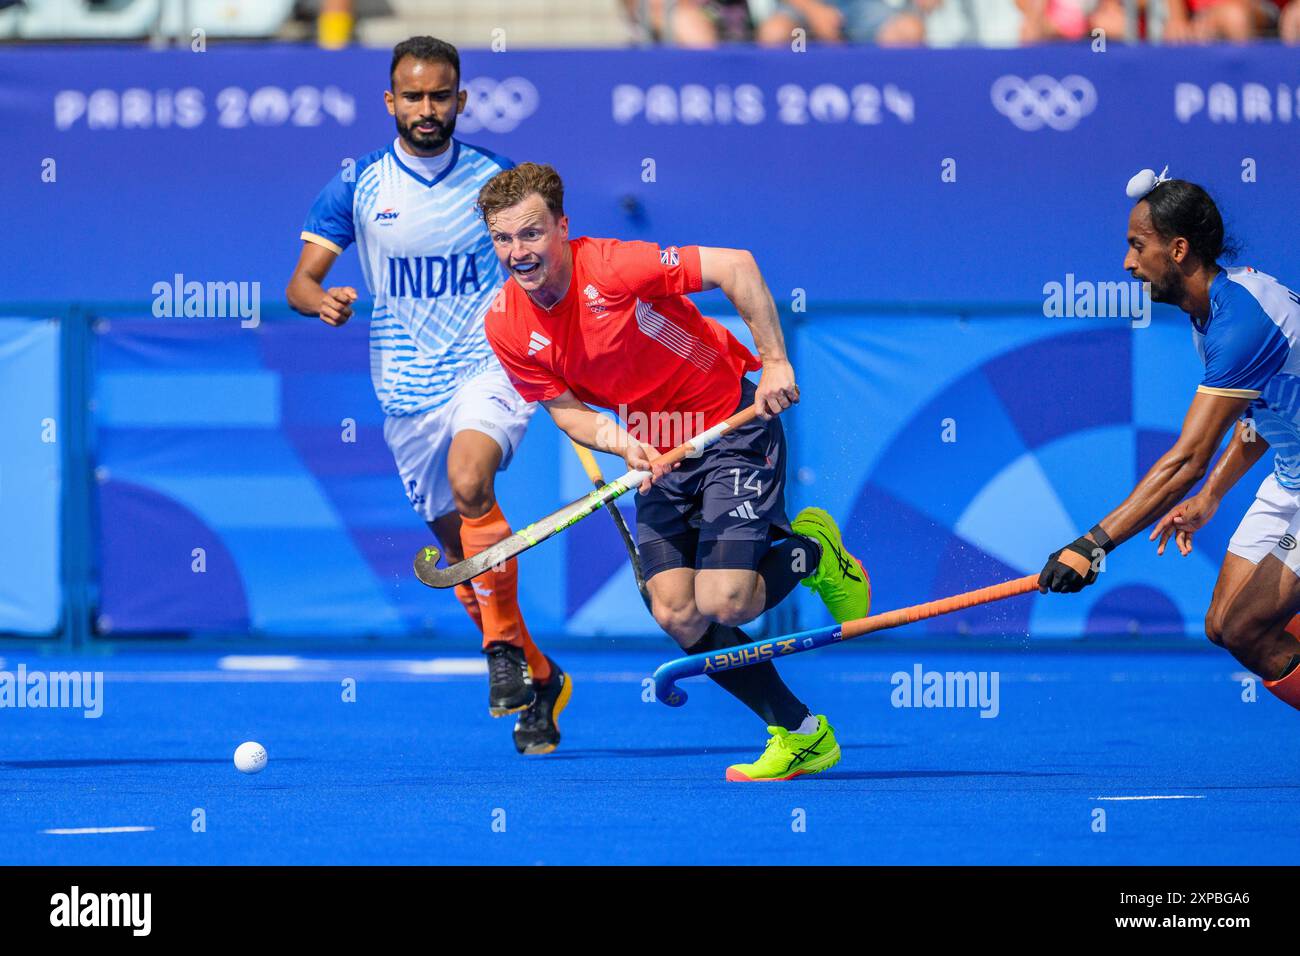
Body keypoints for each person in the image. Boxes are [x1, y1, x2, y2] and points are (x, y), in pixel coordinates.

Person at [477, 162, 872, 781]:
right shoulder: (504, 323)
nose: (517, 253)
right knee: (676, 613)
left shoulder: (611, 266)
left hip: (730, 425)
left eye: (530, 234)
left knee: (728, 601)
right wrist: (621, 442)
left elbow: (736, 264)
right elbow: (567, 412)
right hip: (661, 451)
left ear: (562, 227)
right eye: (502, 239)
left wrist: (773, 363)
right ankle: (801, 733)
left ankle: (812, 550)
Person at [285, 37, 569, 755]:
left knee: (473, 481)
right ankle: (541, 676)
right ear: (391, 102)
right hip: (406, 388)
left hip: (487, 364)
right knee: (459, 553)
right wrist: (322, 300)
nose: (427, 108)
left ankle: (500, 651)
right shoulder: (357, 185)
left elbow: (541, 261)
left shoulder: (495, 179)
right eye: (413, 96)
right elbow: (299, 281)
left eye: (440, 95)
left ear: (461, 100)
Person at [1037, 169, 1300, 712]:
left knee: (1250, 628)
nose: (1127, 264)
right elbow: (1260, 420)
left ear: (1177, 250)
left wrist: (1092, 545)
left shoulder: (1241, 321)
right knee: (1222, 624)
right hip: (1290, 474)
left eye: (1137, 246)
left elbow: (1185, 461)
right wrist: (1211, 497)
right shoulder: (1212, 315)